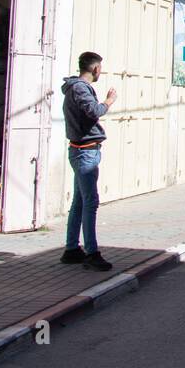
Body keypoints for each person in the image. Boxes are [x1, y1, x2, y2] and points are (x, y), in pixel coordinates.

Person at [59, 51, 117, 271]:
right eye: (100, 67)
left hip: (81, 150)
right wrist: (108, 102)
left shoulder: (74, 88)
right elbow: (93, 111)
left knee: (80, 201)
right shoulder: (81, 88)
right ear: (95, 69)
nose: (100, 71)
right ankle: (92, 253)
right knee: (90, 202)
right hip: (85, 152)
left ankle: (72, 249)